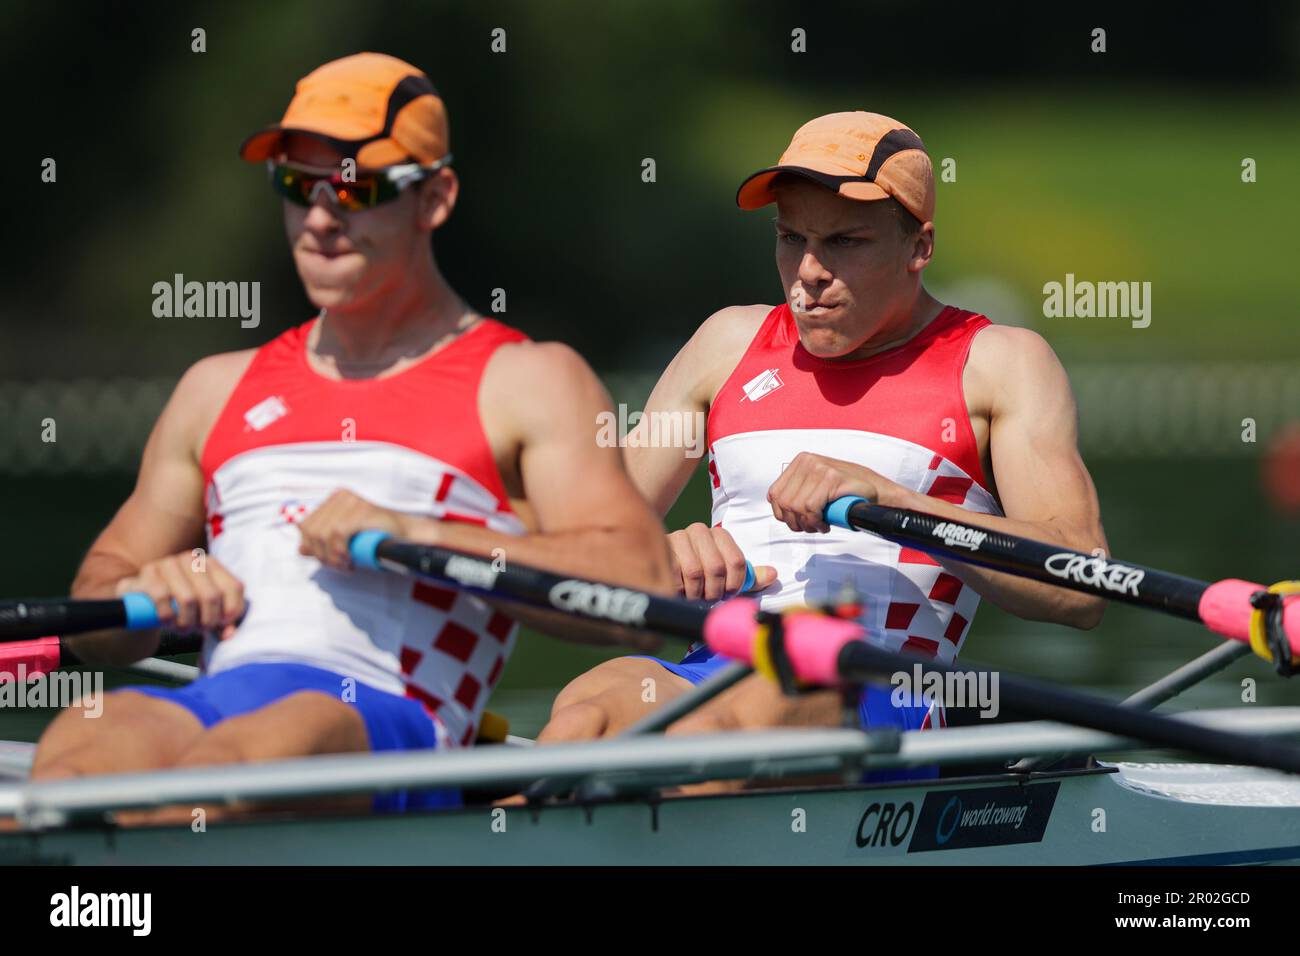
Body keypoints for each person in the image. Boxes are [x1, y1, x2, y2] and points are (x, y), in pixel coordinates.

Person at [29, 53, 672, 812]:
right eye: (298, 186)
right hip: (220, 704)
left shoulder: (528, 381)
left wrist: (416, 533)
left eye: (356, 189)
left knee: (275, 743)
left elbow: (643, 585)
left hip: (389, 724)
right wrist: (147, 590)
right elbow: (95, 607)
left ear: (436, 197)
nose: (321, 217)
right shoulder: (216, 387)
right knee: (85, 741)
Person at [540, 112, 1108, 772]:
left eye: (844, 241)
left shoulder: (998, 363)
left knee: (727, 723)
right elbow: (573, 556)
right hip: (714, 668)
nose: (809, 270)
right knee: (585, 709)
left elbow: (1083, 585)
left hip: (883, 691)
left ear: (918, 247)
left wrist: (894, 501)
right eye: (791, 238)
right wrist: (652, 560)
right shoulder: (726, 345)